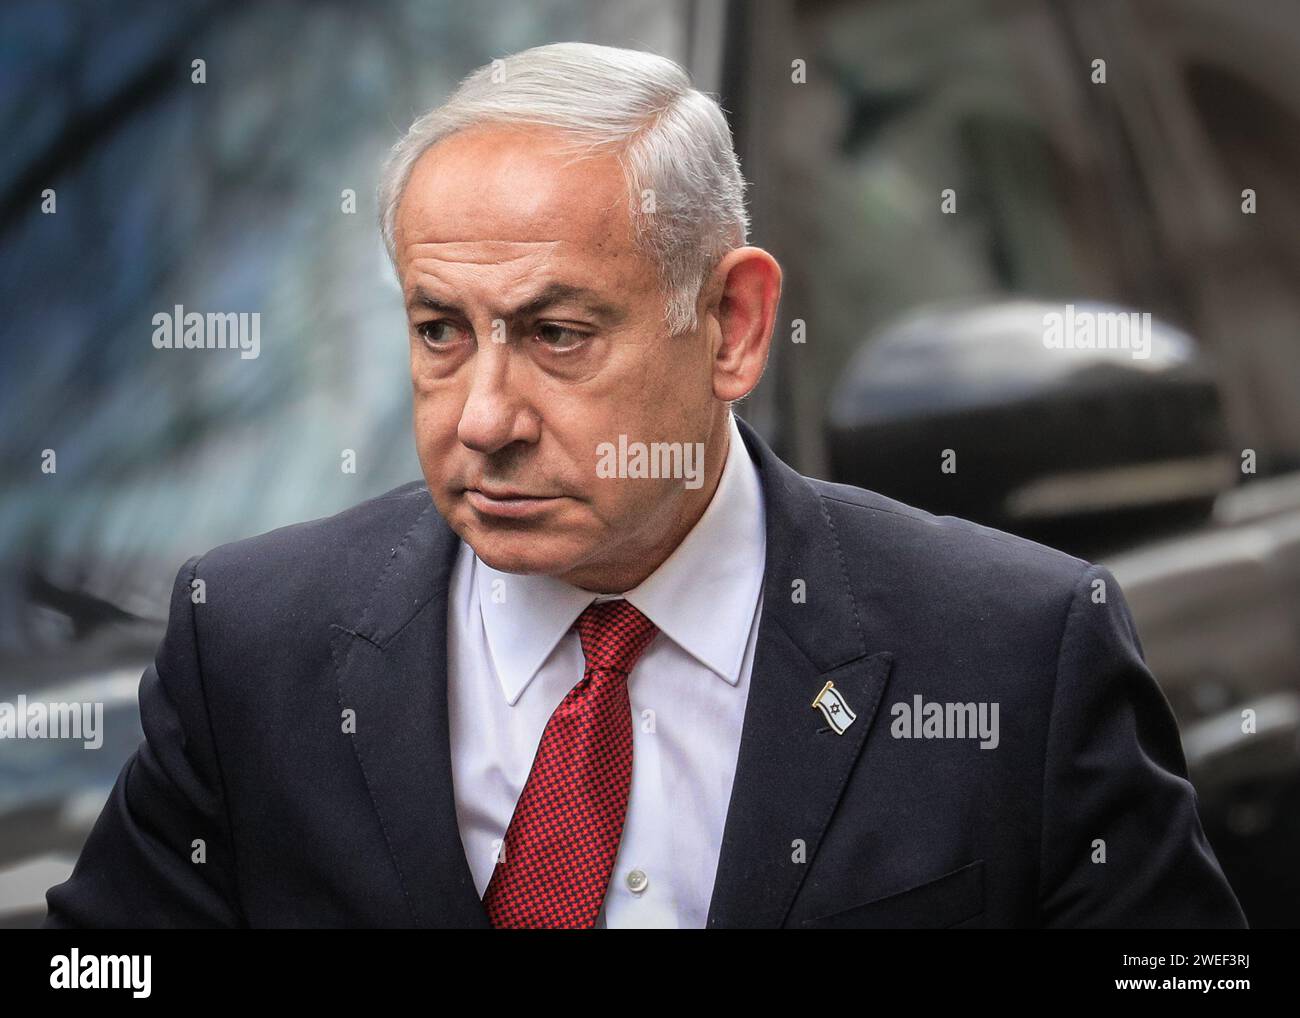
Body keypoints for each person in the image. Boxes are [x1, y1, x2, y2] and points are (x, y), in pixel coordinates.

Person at [44, 42, 1246, 929]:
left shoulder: (1011, 653)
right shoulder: (253, 646)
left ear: (731, 323)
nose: (484, 418)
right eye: (438, 330)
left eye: (558, 333)